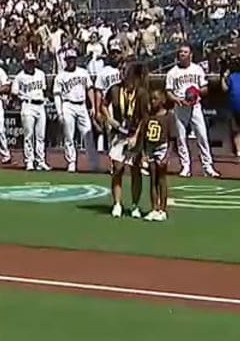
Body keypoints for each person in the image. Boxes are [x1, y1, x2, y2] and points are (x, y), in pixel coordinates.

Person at [102, 62, 149, 218]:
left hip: (135, 134)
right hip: (119, 134)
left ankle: (135, 205)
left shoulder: (141, 92)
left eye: (126, 70)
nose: (123, 73)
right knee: (117, 168)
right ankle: (117, 203)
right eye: (121, 70)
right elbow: (103, 105)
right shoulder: (115, 89)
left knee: (135, 170)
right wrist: (109, 118)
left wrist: (136, 136)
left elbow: (144, 117)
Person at [165, 44, 218, 177]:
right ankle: (185, 167)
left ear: (191, 55)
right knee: (181, 138)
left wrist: (196, 93)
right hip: (180, 106)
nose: (183, 54)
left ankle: (208, 167)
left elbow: (205, 88)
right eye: (181, 52)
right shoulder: (172, 72)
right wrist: (177, 99)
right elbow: (168, 92)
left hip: (195, 106)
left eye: (185, 52)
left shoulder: (197, 69)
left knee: (202, 135)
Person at [139, 88, 177, 222]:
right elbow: (143, 137)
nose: (152, 101)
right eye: (151, 99)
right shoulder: (148, 117)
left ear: (162, 100)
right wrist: (143, 154)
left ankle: (163, 209)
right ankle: (154, 208)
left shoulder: (168, 116)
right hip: (150, 148)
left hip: (162, 147)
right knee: (152, 179)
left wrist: (167, 156)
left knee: (161, 178)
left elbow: (172, 139)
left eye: (155, 99)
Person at [54, 49, 92, 173]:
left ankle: (92, 160)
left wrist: (92, 106)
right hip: (68, 104)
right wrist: (59, 112)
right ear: (65, 60)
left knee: (88, 132)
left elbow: (89, 88)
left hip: (82, 105)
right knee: (69, 135)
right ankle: (71, 161)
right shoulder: (61, 76)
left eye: (73, 59)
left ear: (76, 59)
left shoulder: (83, 72)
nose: (71, 61)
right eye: (69, 59)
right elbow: (57, 95)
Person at [11, 52, 49, 171]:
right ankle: (29, 161)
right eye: (29, 62)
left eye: (32, 62)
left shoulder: (41, 74)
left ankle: (40, 161)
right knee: (29, 135)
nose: (31, 65)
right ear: (25, 63)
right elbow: (14, 93)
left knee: (40, 136)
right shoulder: (20, 76)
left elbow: (44, 90)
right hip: (27, 104)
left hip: (40, 105)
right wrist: (19, 103)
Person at [220, 56, 240, 160]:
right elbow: (225, 88)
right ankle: (239, 153)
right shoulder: (231, 77)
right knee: (236, 131)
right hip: (234, 107)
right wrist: (223, 77)